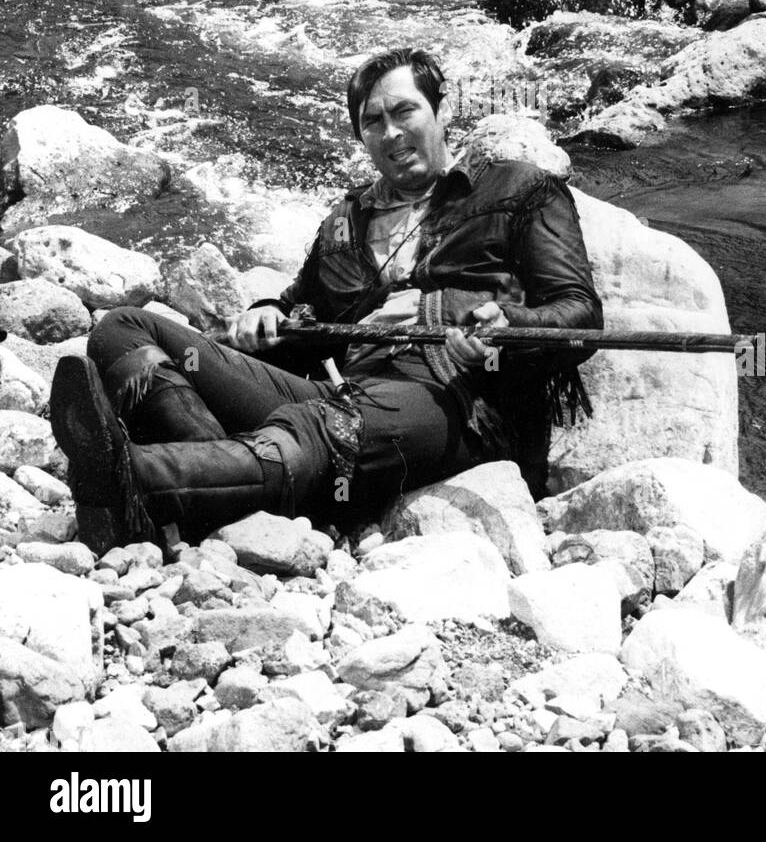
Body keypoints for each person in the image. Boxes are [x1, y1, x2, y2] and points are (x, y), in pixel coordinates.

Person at [51, 48, 603, 555]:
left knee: (319, 424)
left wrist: (485, 321)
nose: (390, 133)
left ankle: (136, 480)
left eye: (404, 112)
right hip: (346, 393)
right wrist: (268, 314)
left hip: (460, 406)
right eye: (372, 122)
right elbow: (301, 318)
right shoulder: (345, 221)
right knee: (125, 329)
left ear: (442, 111)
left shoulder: (519, 190)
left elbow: (580, 318)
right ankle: (223, 485)